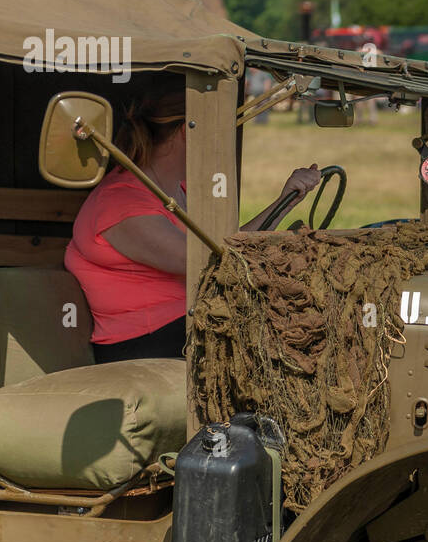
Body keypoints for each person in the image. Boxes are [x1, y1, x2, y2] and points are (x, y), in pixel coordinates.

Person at [66, 88, 324, 363]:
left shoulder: (177, 190)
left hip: (188, 325)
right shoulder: (120, 203)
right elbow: (210, 260)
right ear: (188, 132)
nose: (219, 144)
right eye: (215, 132)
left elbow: (226, 246)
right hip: (145, 344)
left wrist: (286, 200)